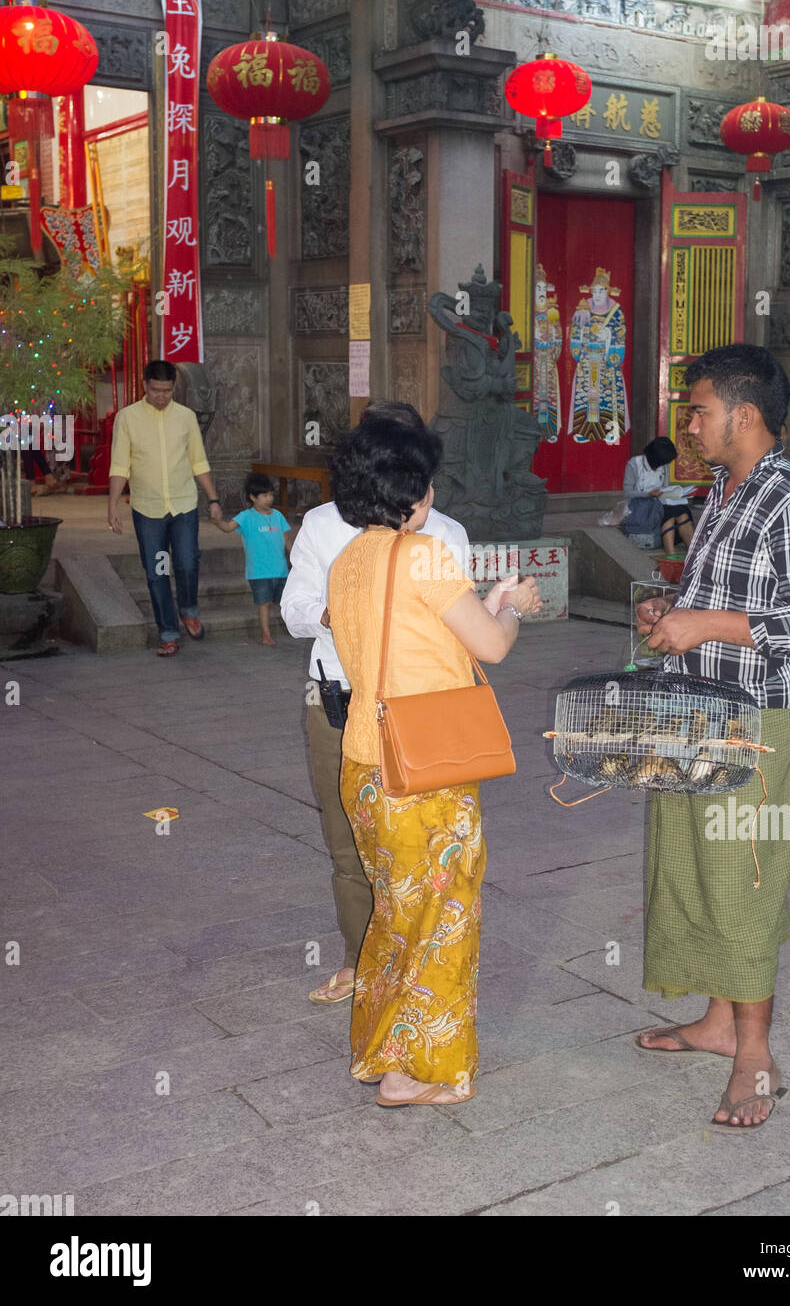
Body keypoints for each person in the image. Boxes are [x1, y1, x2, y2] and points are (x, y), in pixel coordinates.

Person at [633, 344, 790, 1130]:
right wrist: (670, 614)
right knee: (693, 865)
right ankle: (719, 1023)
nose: (688, 423)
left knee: (745, 876)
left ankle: (756, 1055)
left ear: (744, 416)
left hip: (753, 722)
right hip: (693, 708)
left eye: (698, 409)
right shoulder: (722, 489)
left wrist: (707, 624)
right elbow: (713, 596)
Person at [326, 415, 541, 1107]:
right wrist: (514, 608)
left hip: (364, 762)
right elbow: (492, 647)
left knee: (396, 915)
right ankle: (416, 1071)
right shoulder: (421, 555)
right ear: (410, 491)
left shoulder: (351, 559)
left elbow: (413, 637)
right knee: (444, 915)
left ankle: (384, 1052)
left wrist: (486, 605)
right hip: (422, 773)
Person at [280, 402, 470, 1008]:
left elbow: (462, 636)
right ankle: (359, 960)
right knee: (348, 844)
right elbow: (293, 611)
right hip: (338, 703)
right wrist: (337, 615)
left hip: (423, 712)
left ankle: (417, 972)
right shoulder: (322, 526)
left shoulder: (445, 533)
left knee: (425, 849)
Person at [108, 360, 221, 657]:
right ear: (145, 385)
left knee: (186, 562)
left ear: (174, 388)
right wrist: (112, 505)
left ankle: (188, 610)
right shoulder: (128, 418)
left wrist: (213, 499)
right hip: (148, 510)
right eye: (156, 390)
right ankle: (168, 633)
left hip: (183, 505)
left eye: (167, 391)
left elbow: (198, 461)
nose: (161, 396)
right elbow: (120, 464)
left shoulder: (185, 417)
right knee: (157, 572)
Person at [210, 472, 294, 646]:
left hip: (280, 569)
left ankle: (293, 628)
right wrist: (218, 522)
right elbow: (228, 527)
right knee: (264, 603)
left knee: (283, 601)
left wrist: (296, 559)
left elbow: (287, 540)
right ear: (252, 497)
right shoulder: (246, 516)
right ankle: (266, 634)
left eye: (271, 494)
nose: (269, 498)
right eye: (264, 496)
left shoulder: (278, 515)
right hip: (259, 571)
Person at [622, 436, 694, 555]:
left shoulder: (663, 466)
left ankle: (693, 553)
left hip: (659, 503)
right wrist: (648, 494)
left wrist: (675, 492)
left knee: (682, 511)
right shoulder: (634, 464)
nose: (664, 465)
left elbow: (664, 487)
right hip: (640, 508)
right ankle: (671, 554)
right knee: (671, 514)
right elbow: (628, 492)